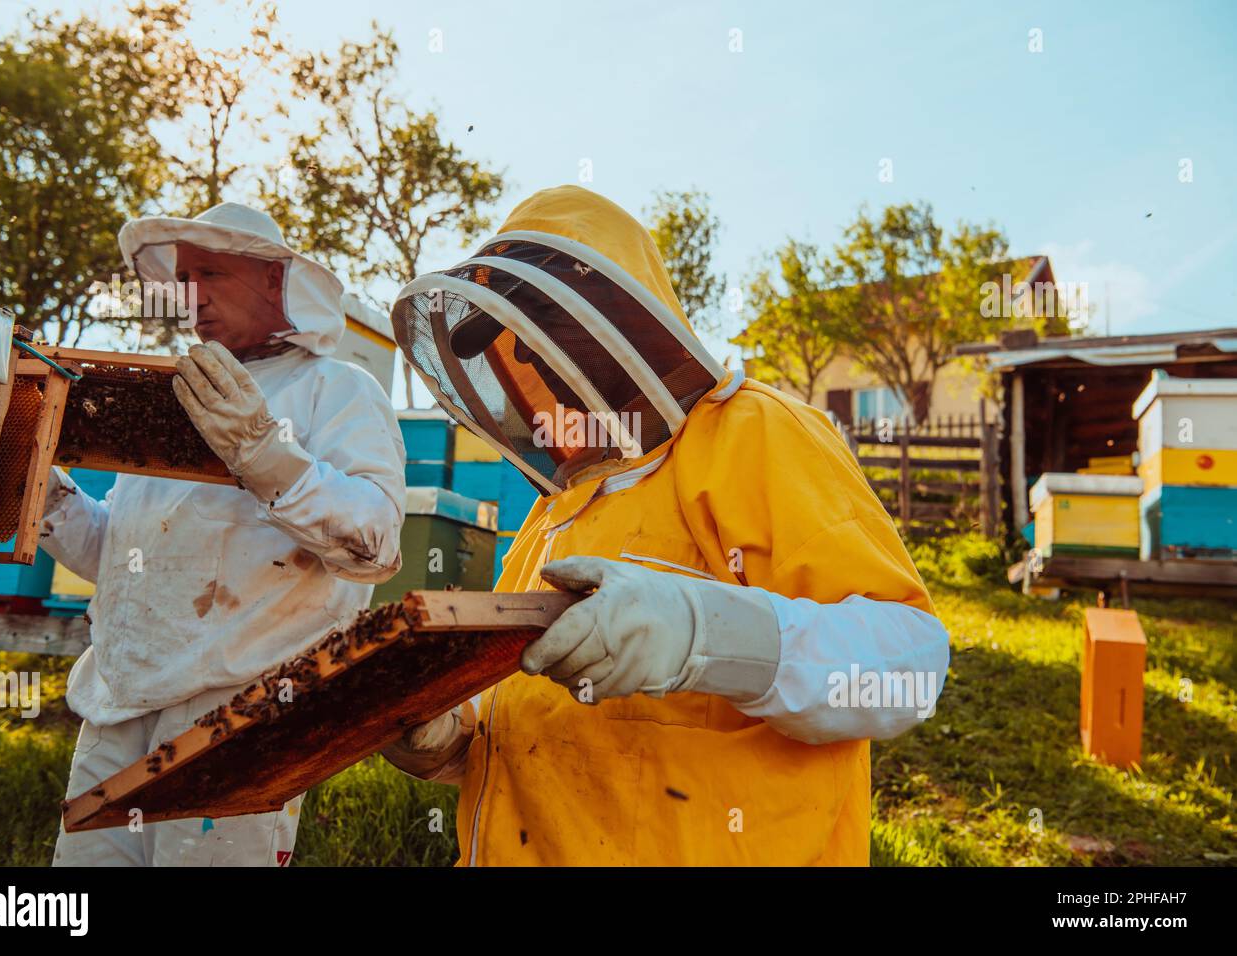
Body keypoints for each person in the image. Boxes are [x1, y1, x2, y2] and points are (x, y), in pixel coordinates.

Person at [381, 184, 949, 866]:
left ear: (619, 310)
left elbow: (910, 664)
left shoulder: (756, 432)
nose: (527, 357)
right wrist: (452, 734)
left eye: (545, 321)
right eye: (511, 343)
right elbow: (530, 723)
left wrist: (700, 633)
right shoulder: (553, 512)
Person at [47, 202, 406, 866]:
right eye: (184, 279)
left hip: (242, 712)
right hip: (117, 705)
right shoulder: (177, 398)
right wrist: (43, 491)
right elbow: (119, 561)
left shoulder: (337, 389)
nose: (192, 296)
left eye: (210, 273)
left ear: (275, 281)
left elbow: (376, 544)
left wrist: (263, 453)